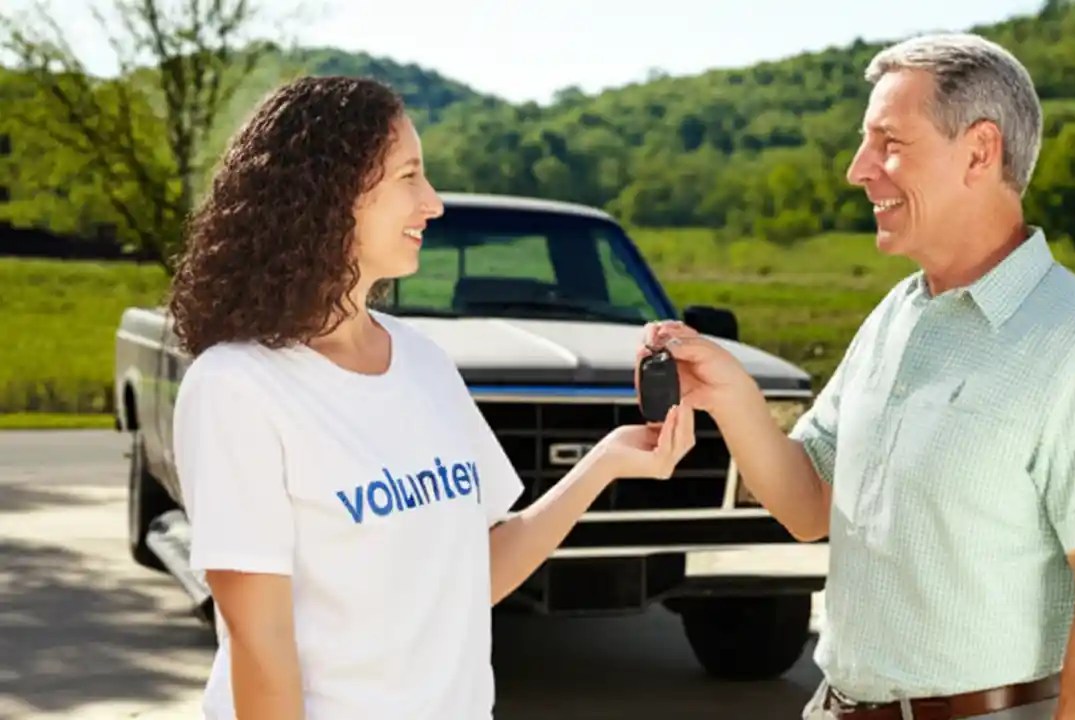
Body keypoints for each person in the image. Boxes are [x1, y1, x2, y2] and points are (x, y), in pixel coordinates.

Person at [639, 33, 1075, 720]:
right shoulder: (897, 314)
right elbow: (808, 504)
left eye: (889, 142)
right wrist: (729, 393)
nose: (859, 169)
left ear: (979, 150)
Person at [166, 75, 695, 720]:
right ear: (331, 194)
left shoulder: (422, 362)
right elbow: (260, 645)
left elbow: (478, 575)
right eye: (409, 176)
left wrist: (607, 460)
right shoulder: (238, 387)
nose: (433, 203)